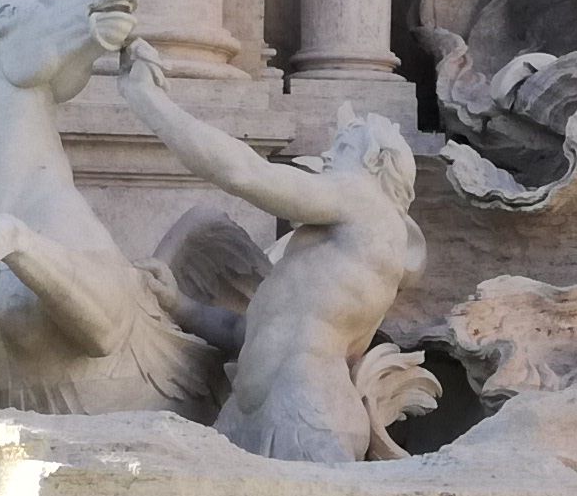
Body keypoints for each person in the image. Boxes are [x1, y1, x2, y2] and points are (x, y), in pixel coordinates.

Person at [111, 45, 430, 463]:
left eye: (342, 147)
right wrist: (179, 305)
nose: (328, 156)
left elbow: (244, 173)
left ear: (374, 160)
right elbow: (248, 332)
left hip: (307, 413)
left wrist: (149, 101)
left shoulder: (366, 201)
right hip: (254, 413)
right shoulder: (334, 247)